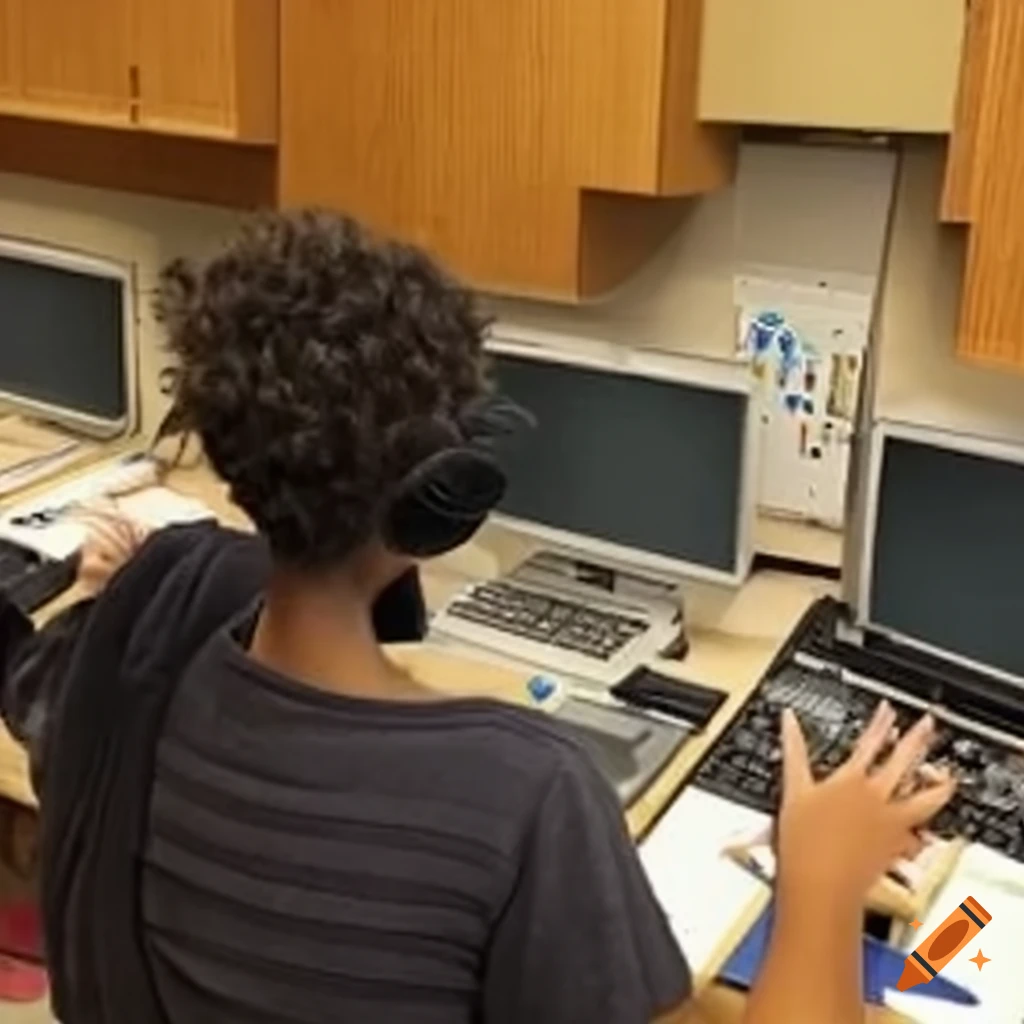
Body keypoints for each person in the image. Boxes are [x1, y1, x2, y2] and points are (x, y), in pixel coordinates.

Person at [0, 210, 955, 1024]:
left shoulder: (148, 660)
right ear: (445, 497)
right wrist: (821, 880)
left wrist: (114, 588)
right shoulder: (521, 790)